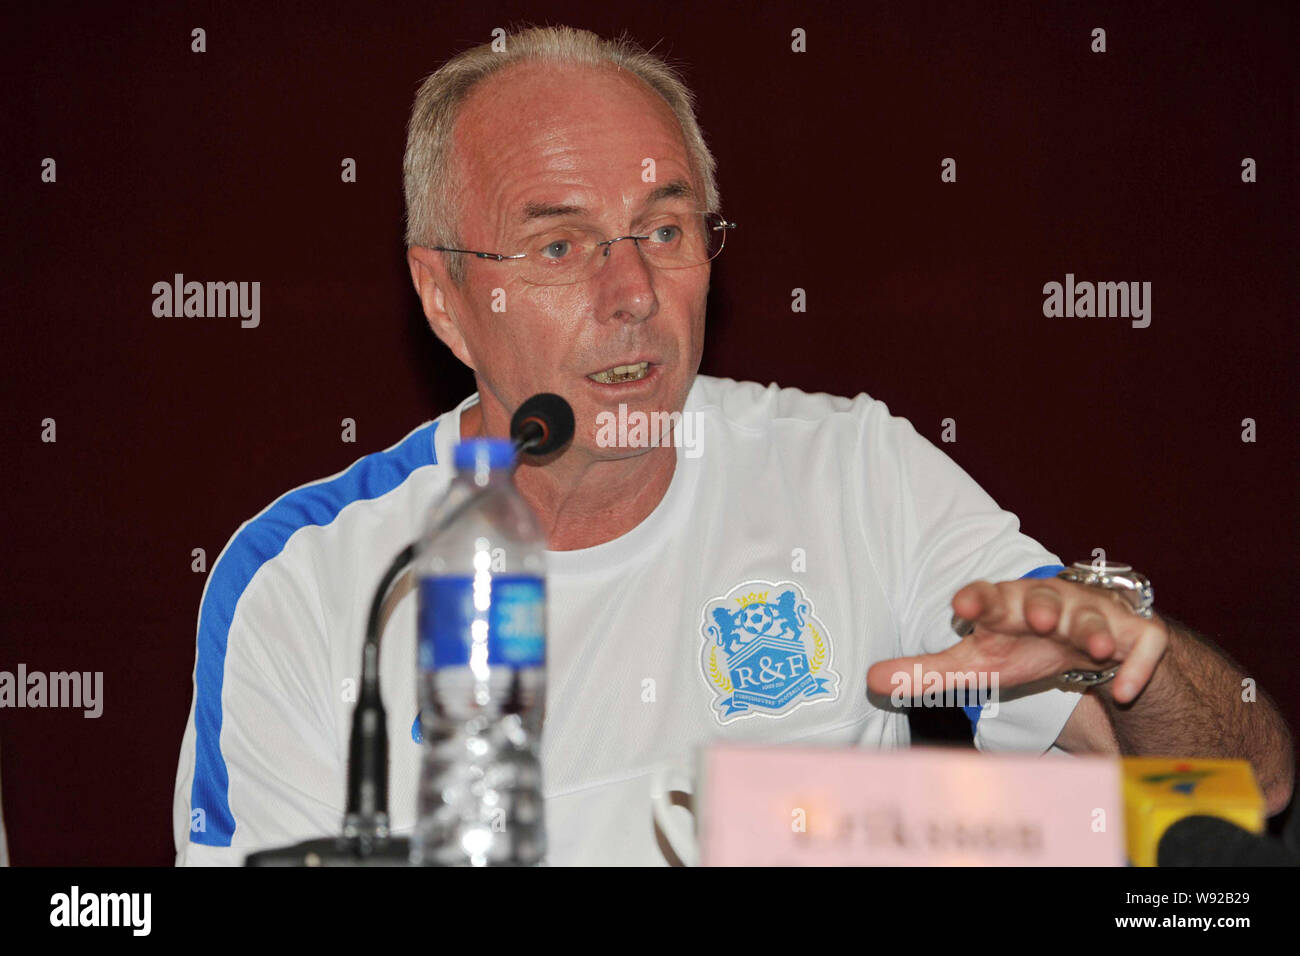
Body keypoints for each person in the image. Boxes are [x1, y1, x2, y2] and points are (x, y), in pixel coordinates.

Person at [173, 25, 1293, 866]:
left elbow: (1244, 797)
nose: (632, 294)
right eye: (559, 245)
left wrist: (1127, 658)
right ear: (446, 294)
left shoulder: (856, 476)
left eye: (664, 229)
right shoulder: (312, 582)